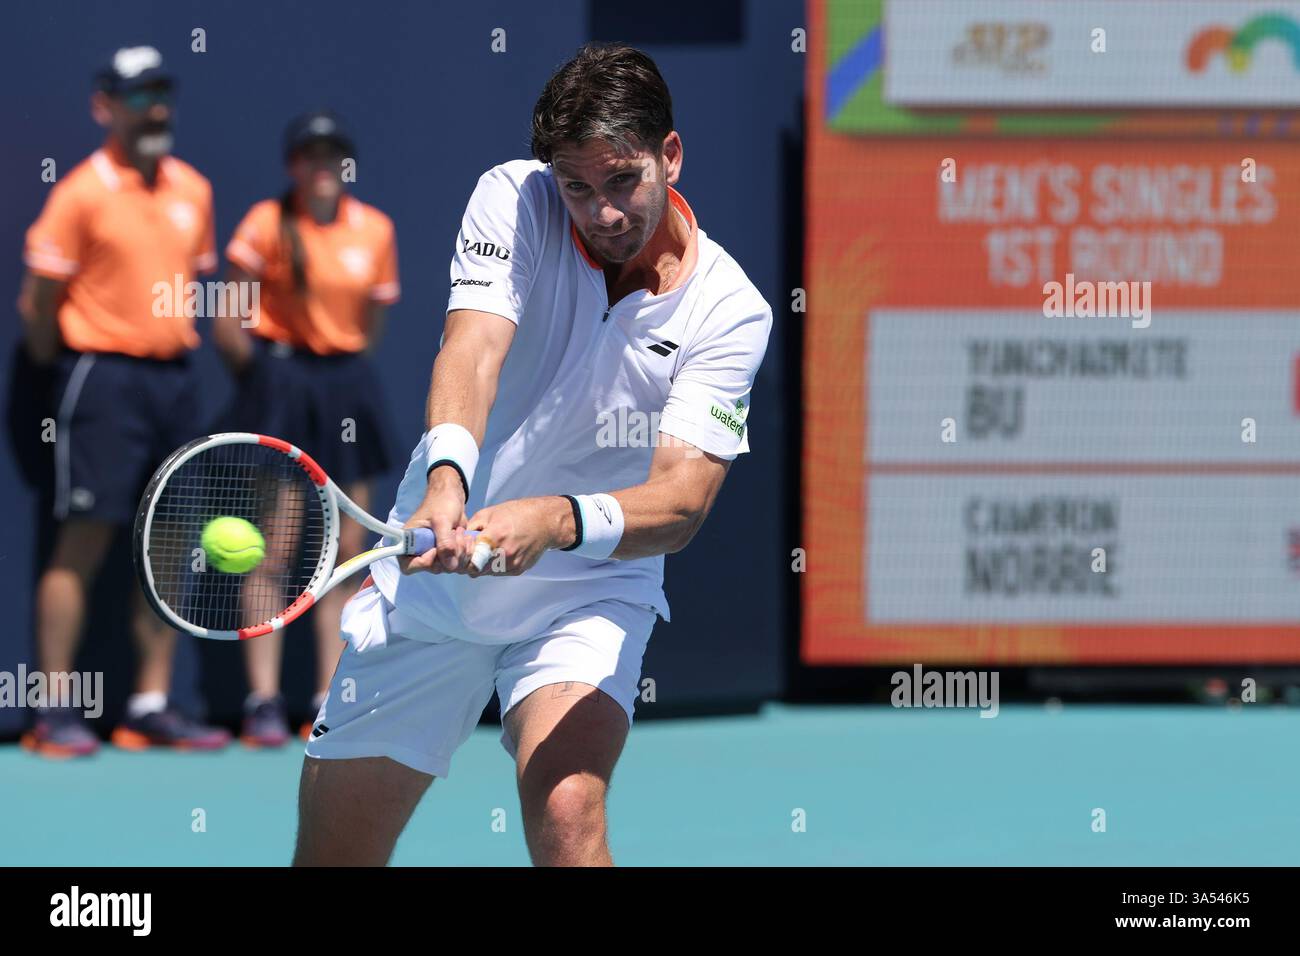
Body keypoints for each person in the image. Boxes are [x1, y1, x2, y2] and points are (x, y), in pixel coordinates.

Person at [293, 43, 772, 866]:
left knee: (569, 801)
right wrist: (447, 478)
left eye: (623, 181)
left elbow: (682, 500)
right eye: (577, 187)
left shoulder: (731, 312)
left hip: (588, 586)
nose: (602, 211)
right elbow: (472, 348)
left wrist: (556, 520)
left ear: (671, 155)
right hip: (432, 589)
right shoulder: (512, 198)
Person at [17, 45, 231, 756]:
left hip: (175, 382)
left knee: (167, 545)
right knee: (81, 540)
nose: (155, 109)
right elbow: (38, 303)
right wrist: (61, 366)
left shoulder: (192, 189)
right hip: (101, 381)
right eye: (139, 96)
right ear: (105, 106)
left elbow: (199, 283)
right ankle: (53, 712)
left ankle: (149, 704)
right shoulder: (79, 191)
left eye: (162, 94)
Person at [214, 111, 400, 747]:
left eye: (333, 154)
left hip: (347, 390)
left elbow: (369, 327)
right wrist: (272, 382)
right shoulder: (265, 223)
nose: (323, 166)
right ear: (293, 164)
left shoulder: (375, 229)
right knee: (276, 544)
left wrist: (336, 370)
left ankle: (331, 694)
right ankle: (263, 700)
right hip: (283, 386)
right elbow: (227, 321)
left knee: (348, 553)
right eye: (310, 155)